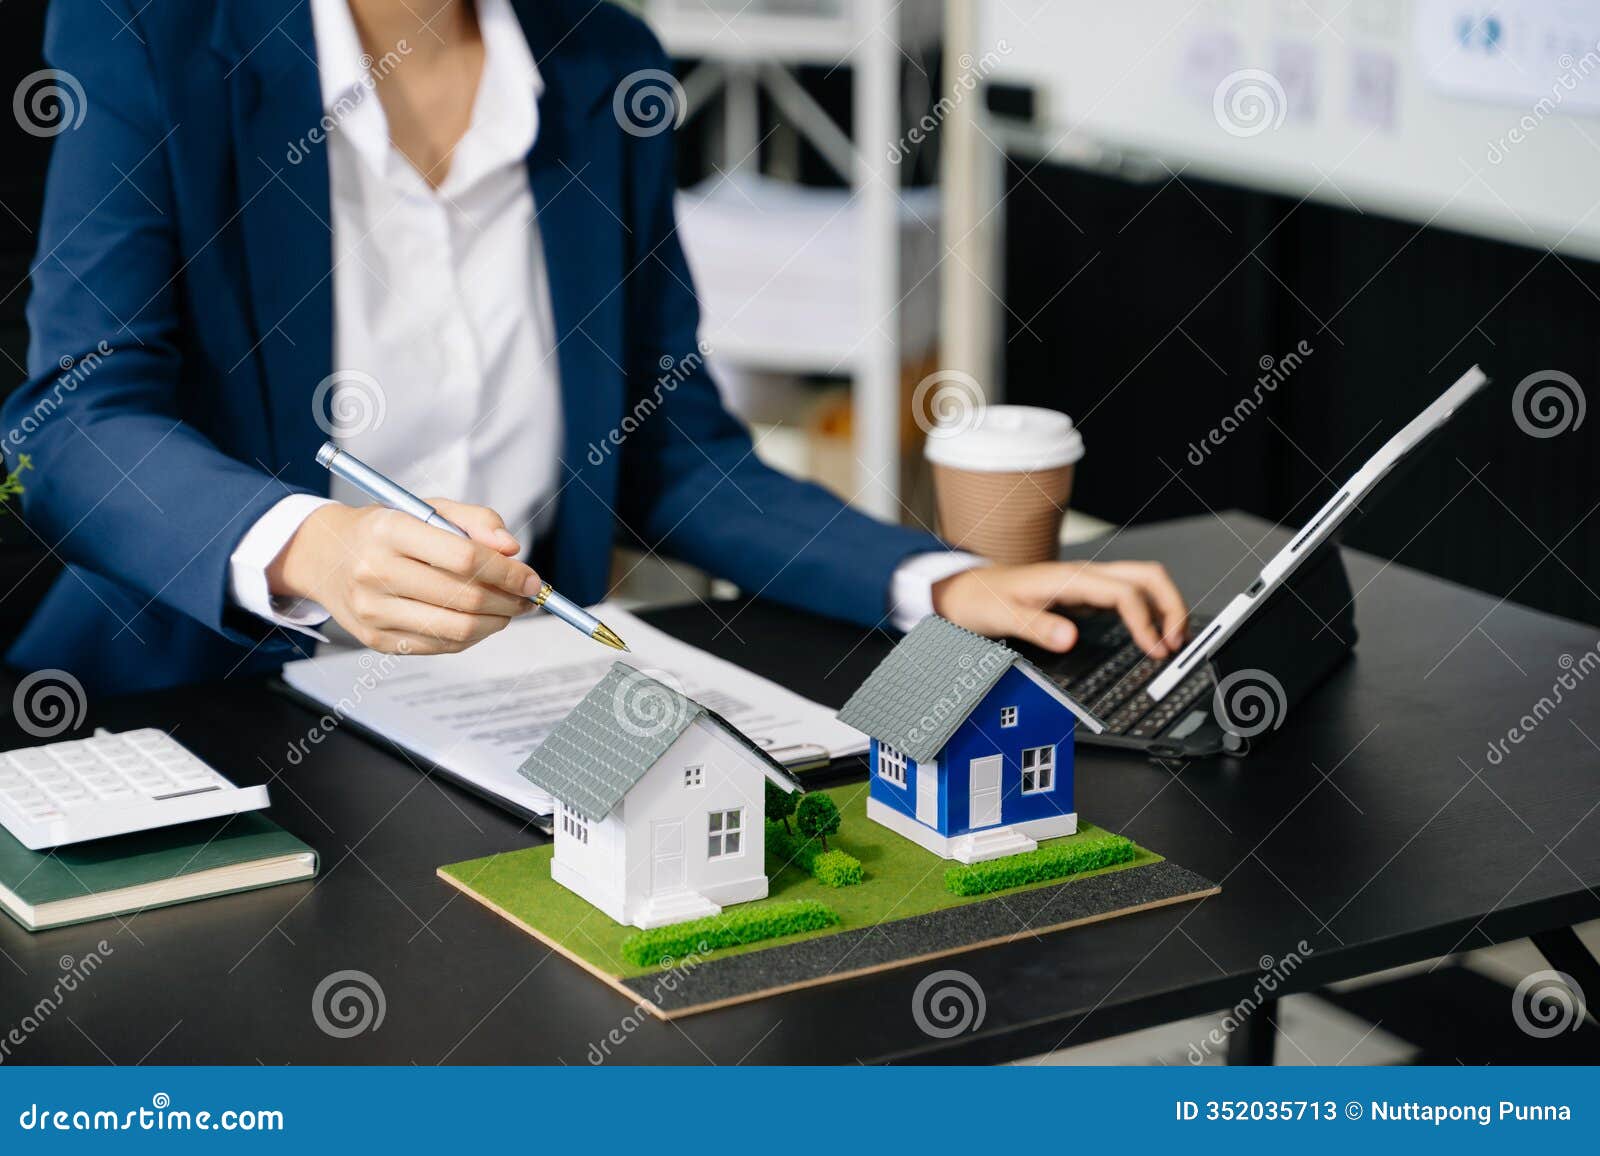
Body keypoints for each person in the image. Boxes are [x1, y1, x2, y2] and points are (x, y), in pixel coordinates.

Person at [4, 0, 1186, 696]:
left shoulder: (603, 61)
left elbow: (669, 452)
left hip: (503, 710)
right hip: (189, 711)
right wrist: (311, 544)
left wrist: (935, 582)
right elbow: (71, 422)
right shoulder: (152, 30)